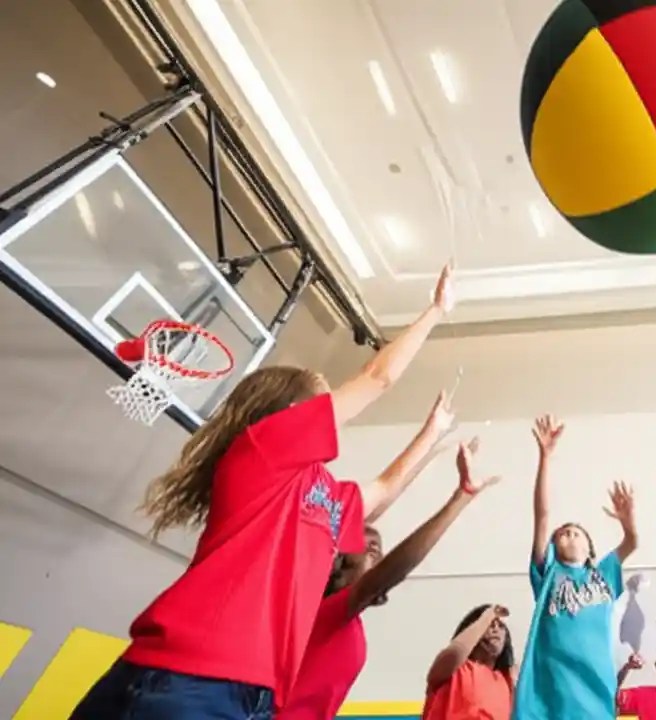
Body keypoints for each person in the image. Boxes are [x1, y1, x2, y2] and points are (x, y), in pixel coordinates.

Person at [70, 264, 458, 718]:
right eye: (322, 397)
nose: (332, 405)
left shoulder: (324, 493)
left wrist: (432, 434)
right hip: (190, 678)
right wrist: (435, 311)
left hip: (246, 694)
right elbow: (377, 378)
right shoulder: (262, 451)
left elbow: (385, 490)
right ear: (287, 411)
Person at [281, 439, 502, 719]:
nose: (378, 552)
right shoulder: (324, 610)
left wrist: (426, 453)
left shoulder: (346, 620)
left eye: (380, 549)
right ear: (339, 559)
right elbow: (393, 568)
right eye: (370, 546)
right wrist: (462, 495)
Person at [513, 414, 639, 720]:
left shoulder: (603, 574)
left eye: (576, 532)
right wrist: (546, 457)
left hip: (594, 686)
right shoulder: (550, 573)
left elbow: (632, 542)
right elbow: (542, 515)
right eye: (562, 533)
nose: (568, 534)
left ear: (589, 547)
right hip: (553, 687)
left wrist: (628, 519)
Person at [423, 604, 516, 720]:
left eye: (501, 626)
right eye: (490, 624)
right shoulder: (455, 670)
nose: (495, 628)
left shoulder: (506, 681)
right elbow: (456, 652)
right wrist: (487, 616)